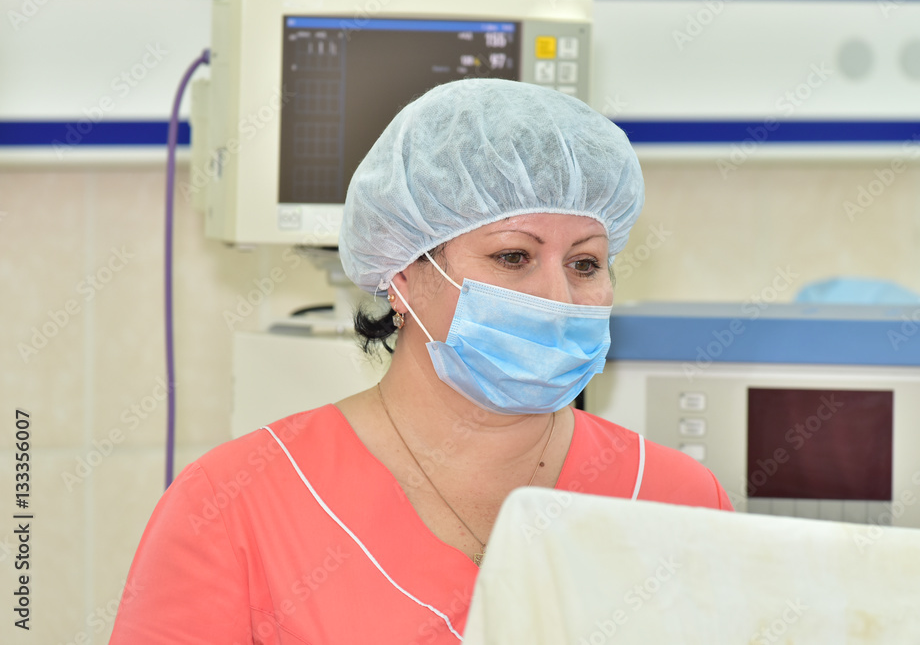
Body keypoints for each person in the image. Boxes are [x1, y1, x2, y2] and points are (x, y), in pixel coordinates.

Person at [109, 78, 732, 644]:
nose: (558, 298)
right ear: (404, 275)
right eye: (513, 256)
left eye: (585, 264)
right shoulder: (235, 505)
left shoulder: (673, 498)